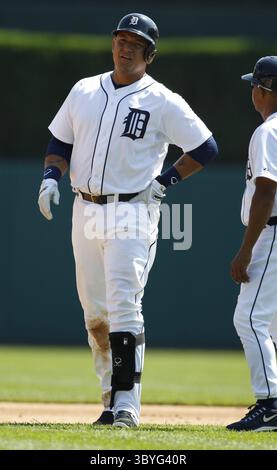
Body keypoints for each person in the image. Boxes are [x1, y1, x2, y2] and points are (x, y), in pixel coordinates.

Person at [38, 12, 218, 428]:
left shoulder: (162, 99)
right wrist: (50, 178)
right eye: (120, 39)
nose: (124, 48)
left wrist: (166, 181)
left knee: (124, 305)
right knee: (95, 313)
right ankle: (108, 401)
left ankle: (127, 407)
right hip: (85, 208)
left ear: (149, 54)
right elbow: (58, 141)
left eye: (134, 44)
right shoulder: (84, 89)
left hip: (132, 210)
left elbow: (206, 146)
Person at [227, 56, 277, 432]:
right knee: (270, 324)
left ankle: (270, 402)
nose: (252, 91)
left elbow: (266, 190)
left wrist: (246, 250)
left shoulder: (269, 131)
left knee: (249, 318)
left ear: (264, 90)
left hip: (271, 234)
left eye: (255, 85)